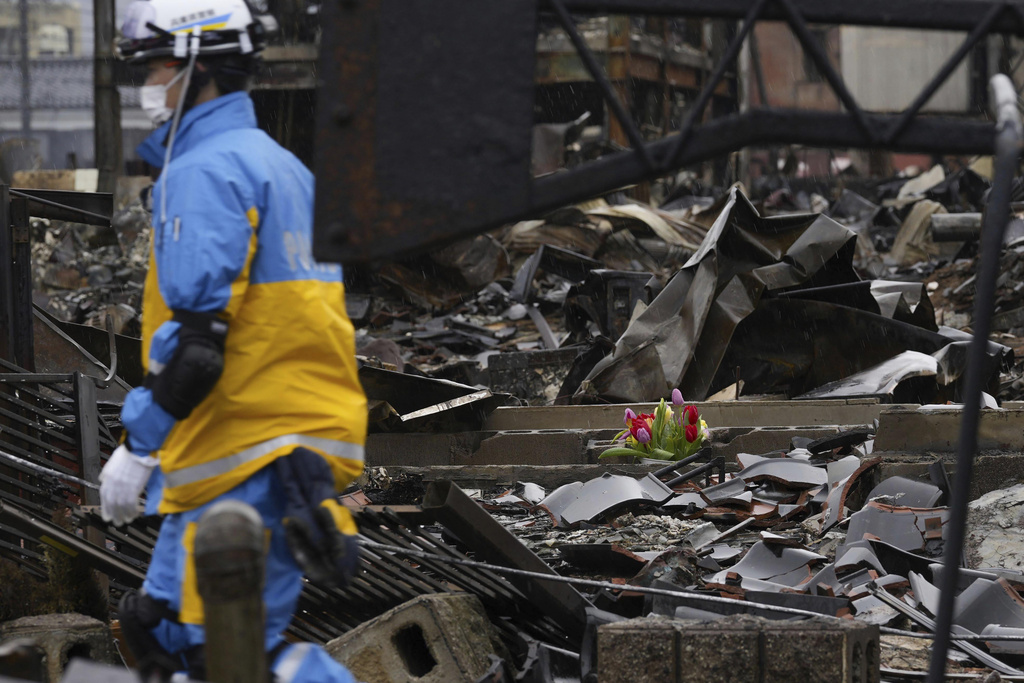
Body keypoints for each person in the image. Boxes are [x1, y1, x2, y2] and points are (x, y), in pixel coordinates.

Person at [98, 1, 367, 681]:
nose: (147, 85)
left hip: (248, 452)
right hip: (276, 446)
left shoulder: (203, 172)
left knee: (220, 654)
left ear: (196, 67)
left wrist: (138, 445)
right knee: (162, 631)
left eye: (155, 67)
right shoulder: (283, 167)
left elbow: (197, 346)